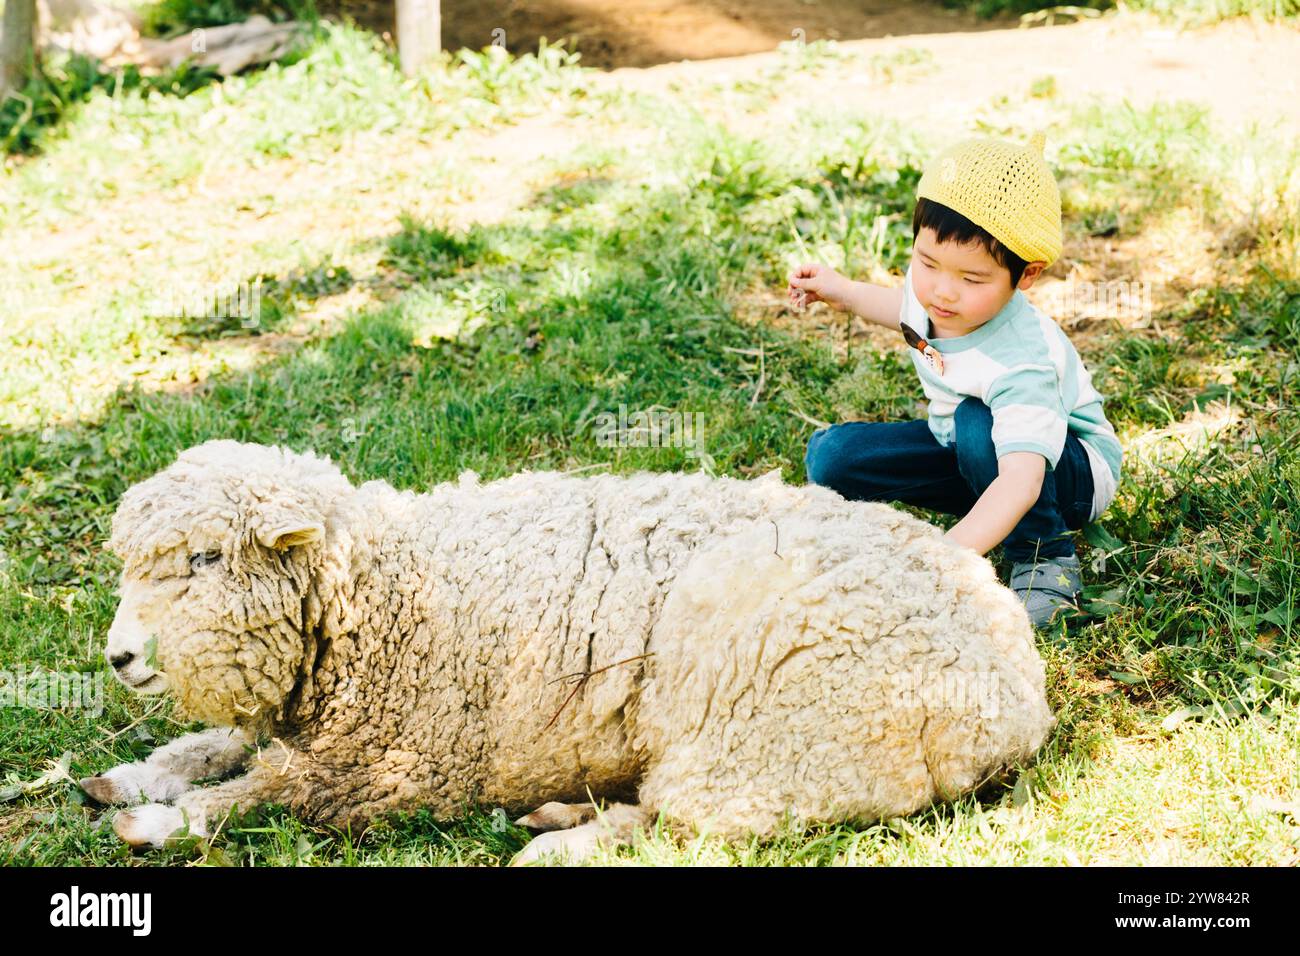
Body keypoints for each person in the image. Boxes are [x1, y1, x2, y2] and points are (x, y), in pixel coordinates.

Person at [788, 133, 1122, 630]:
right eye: (927, 263)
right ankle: (978, 508)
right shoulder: (936, 299)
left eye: (972, 278)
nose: (942, 291)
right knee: (834, 456)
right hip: (973, 450)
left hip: (1062, 474)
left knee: (974, 418)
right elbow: (900, 311)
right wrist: (840, 291)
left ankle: (1045, 554)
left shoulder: (1021, 363)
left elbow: (1022, 480)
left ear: (1025, 275)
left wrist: (945, 556)